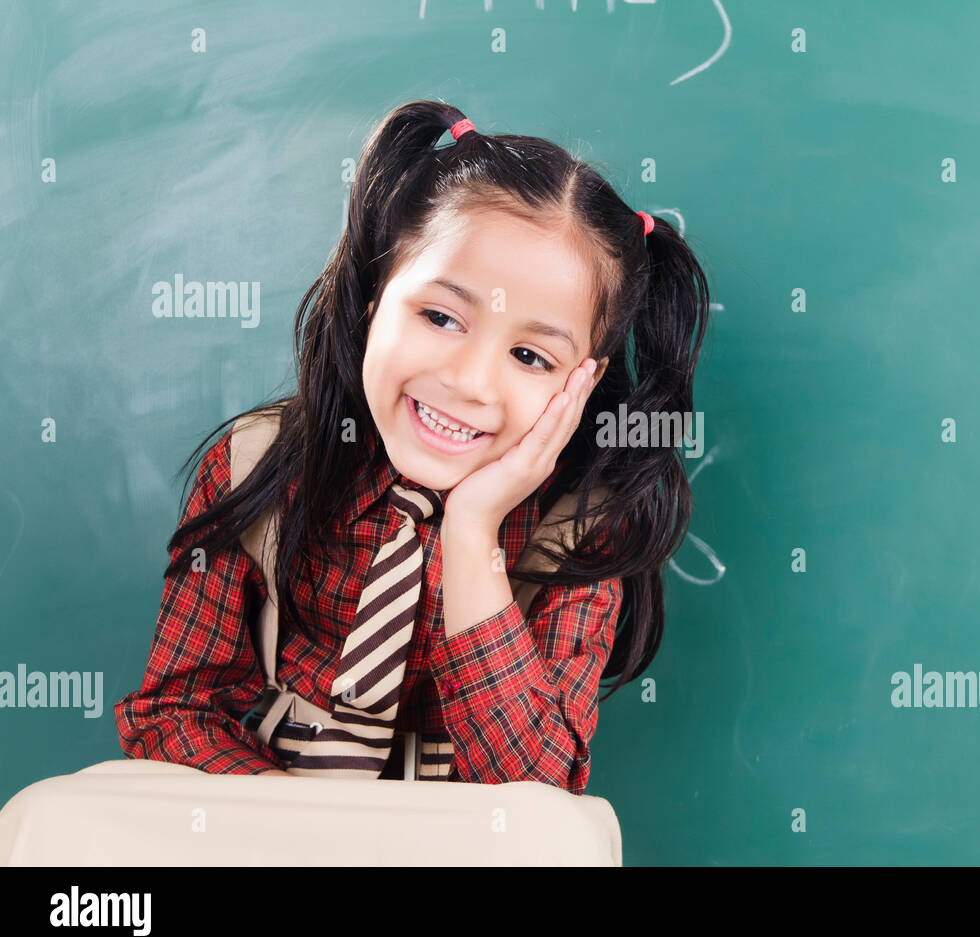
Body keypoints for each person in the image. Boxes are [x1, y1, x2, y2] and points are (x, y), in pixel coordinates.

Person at [113, 101, 711, 795]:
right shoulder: (257, 465)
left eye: (529, 354)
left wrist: (473, 533)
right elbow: (172, 711)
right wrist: (311, 834)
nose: (467, 380)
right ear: (374, 295)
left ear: (583, 381)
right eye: (439, 316)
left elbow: (537, 792)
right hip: (270, 831)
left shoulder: (581, 527)